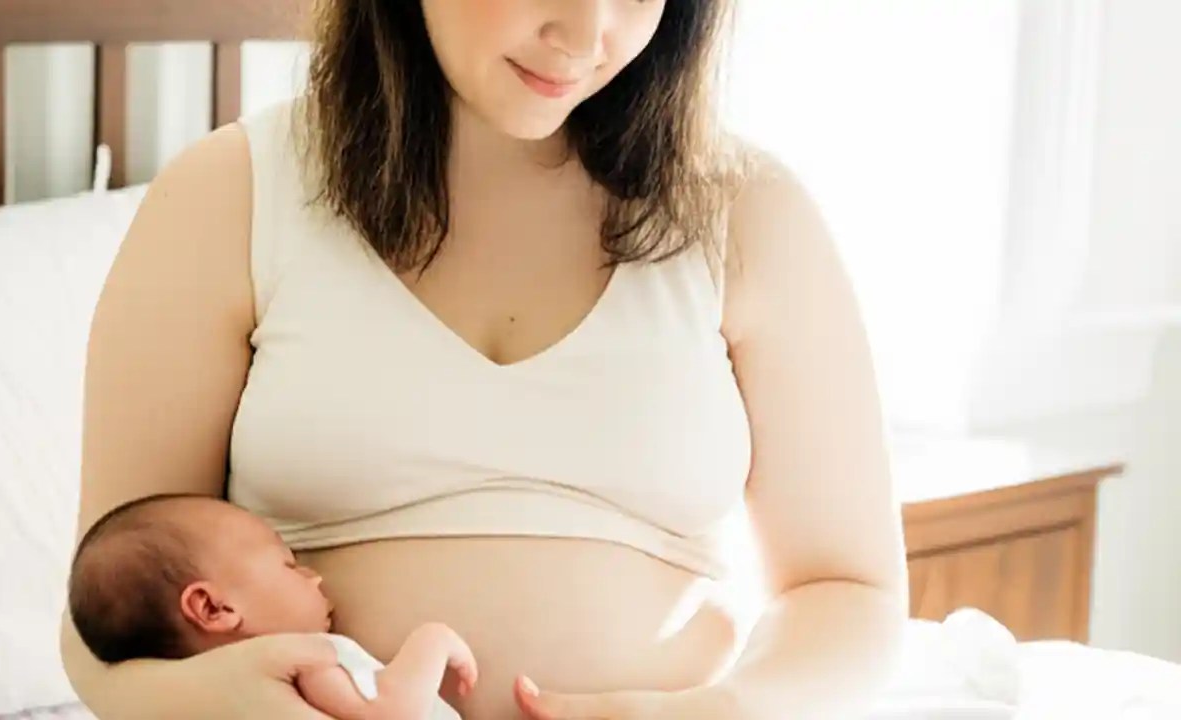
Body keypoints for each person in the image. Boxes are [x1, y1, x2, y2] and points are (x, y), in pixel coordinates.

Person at [61, 1, 909, 718]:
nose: (585, 34)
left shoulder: (749, 211)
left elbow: (853, 597)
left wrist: (718, 714)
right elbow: (102, 618)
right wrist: (210, 703)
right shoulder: (231, 194)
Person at [67, 494, 473, 720]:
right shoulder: (297, 665)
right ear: (212, 608)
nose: (314, 577)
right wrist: (433, 640)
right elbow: (389, 715)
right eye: (290, 565)